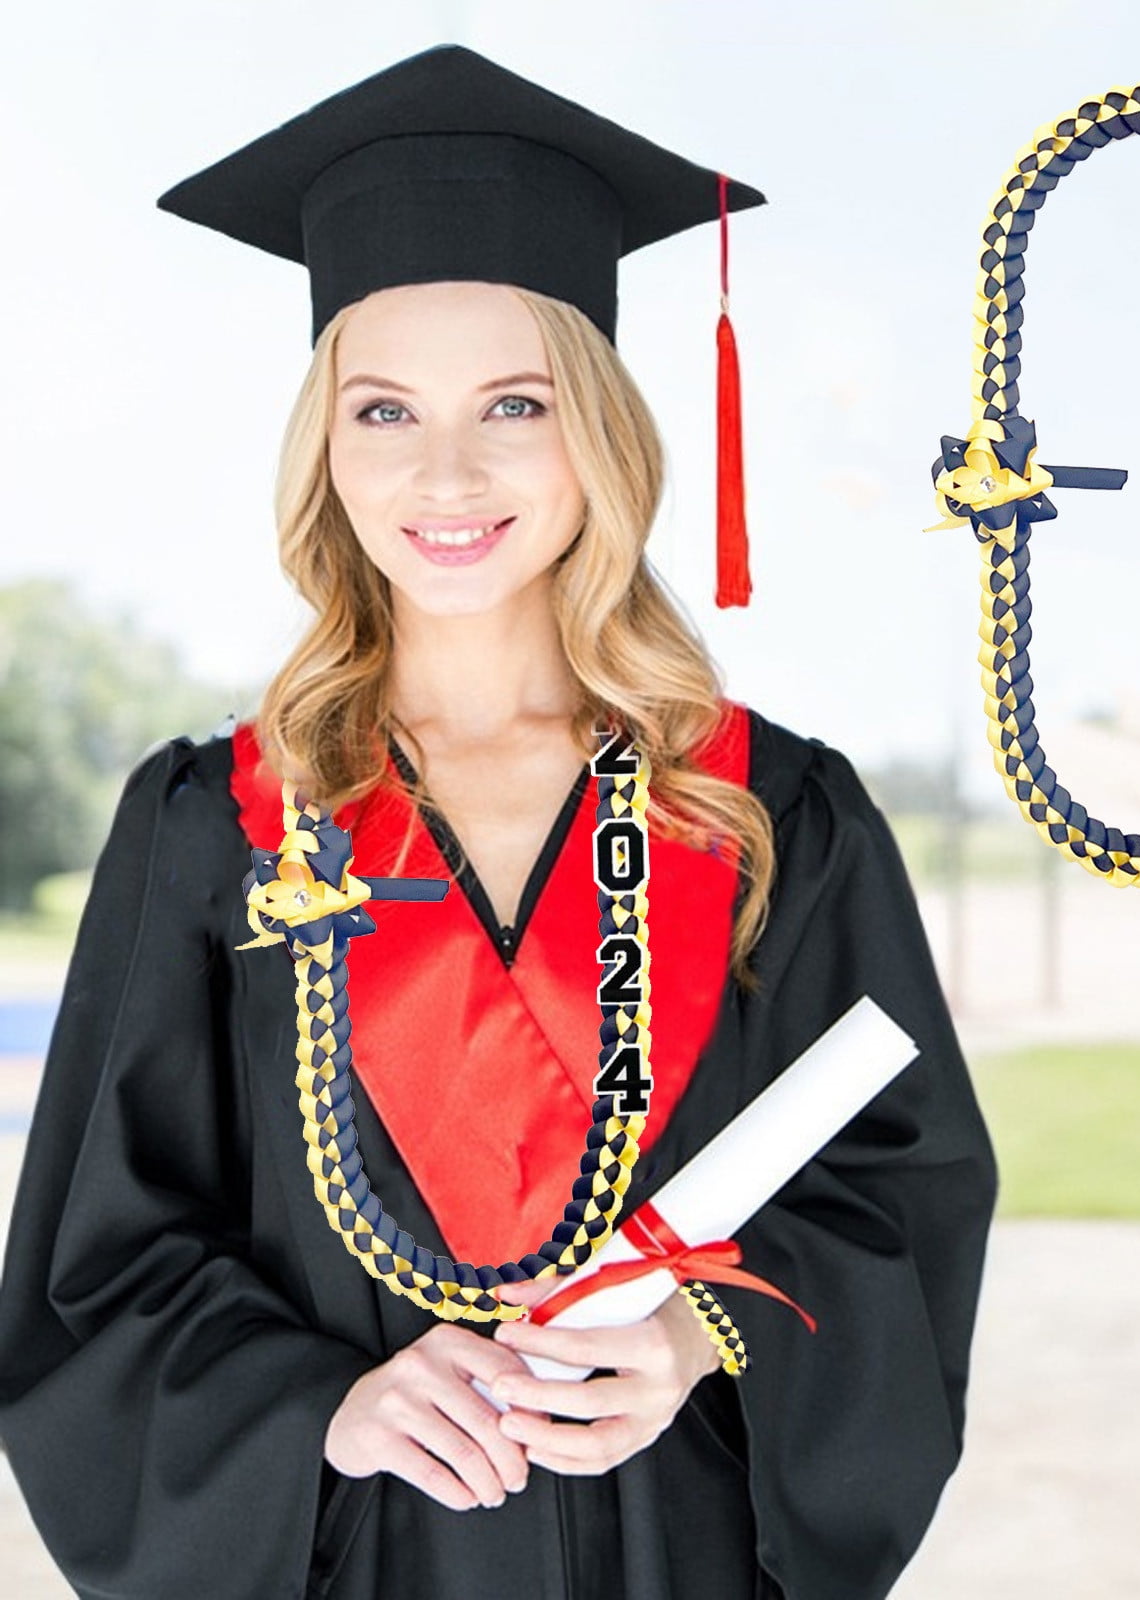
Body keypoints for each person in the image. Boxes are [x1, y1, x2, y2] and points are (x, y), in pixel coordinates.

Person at [0, 44, 998, 1600]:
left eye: (514, 404)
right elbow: (97, 1261)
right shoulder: (215, 825)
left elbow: (899, 1198)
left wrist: (697, 1330)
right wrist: (318, 1410)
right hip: (358, 1560)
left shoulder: (766, 812)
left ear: (597, 432)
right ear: (324, 447)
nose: (445, 470)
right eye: (385, 408)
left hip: (677, 1546)